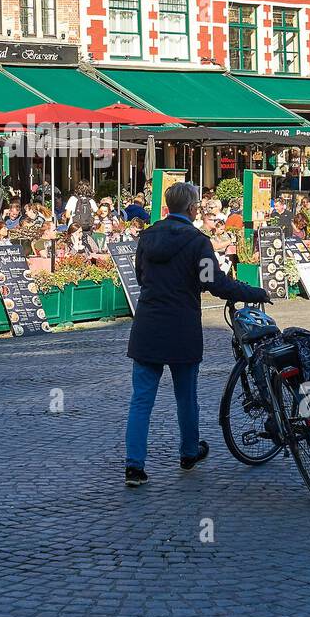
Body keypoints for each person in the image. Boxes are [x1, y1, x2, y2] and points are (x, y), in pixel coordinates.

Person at [124, 181, 269, 487]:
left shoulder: (147, 237)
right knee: (186, 396)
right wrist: (253, 291)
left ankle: (134, 466)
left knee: (141, 400)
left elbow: (140, 276)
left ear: (167, 207)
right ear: (191, 209)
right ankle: (189, 451)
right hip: (181, 326)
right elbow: (214, 283)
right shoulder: (196, 241)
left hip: (148, 325)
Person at [65, 180, 98, 254]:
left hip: (74, 227)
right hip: (87, 227)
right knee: (87, 245)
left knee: (73, 245)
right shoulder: (91, 200)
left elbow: (67, 215)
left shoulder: (73, 199)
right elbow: (97, 212)